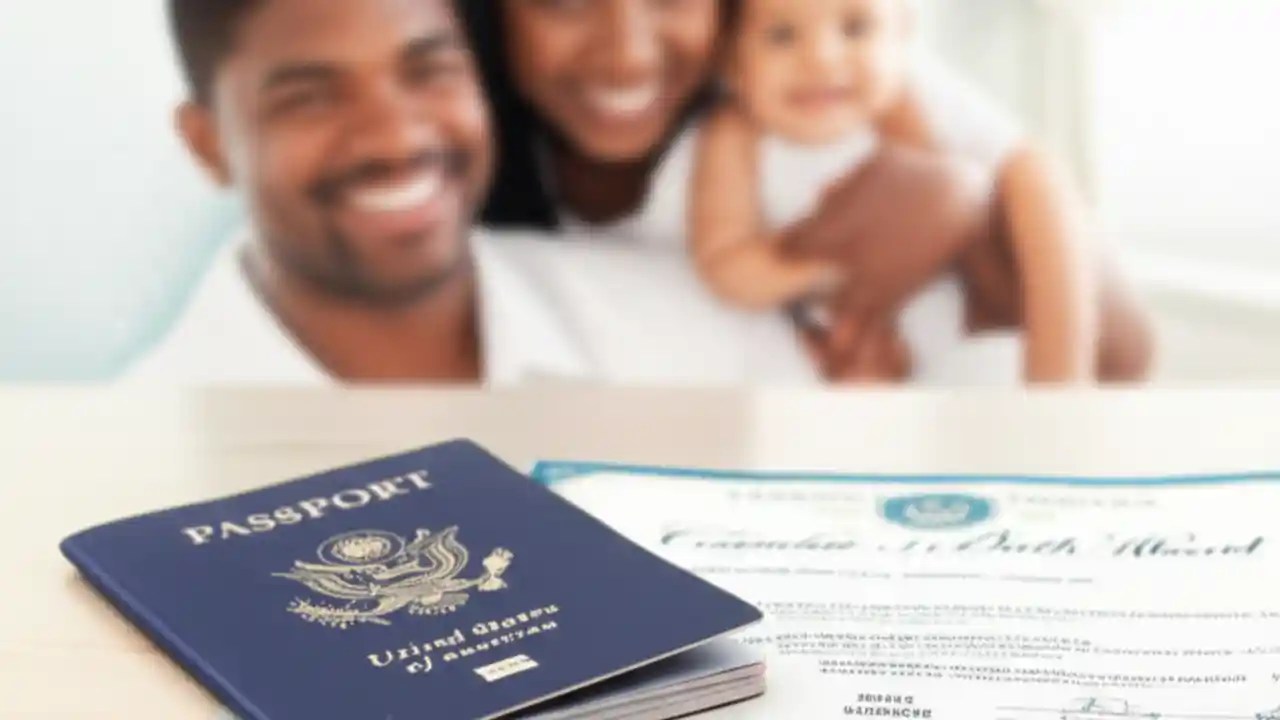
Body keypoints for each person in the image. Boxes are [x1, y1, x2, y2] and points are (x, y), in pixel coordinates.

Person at [460, 0, 1154, 383]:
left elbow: (1126, 351)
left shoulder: (822, 74)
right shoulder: (451, 171)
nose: (628, 51)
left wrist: (959, 206)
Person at [131, 0, 820, 385]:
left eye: (429, 70)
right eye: (311, 98)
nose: (396, 139)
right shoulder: (117, 461)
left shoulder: (704, 330)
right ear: (208, 144)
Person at [687, 0, 1094, 383]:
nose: (822, 59)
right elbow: (723, 258)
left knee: (995, 367)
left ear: (901, 32)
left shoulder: (895, 108)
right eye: (781, 36)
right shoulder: (735, 135)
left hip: (954, 332)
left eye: (855, 28)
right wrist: (819, 272)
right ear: (732, 61)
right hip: (828, 344)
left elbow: (940, 213)